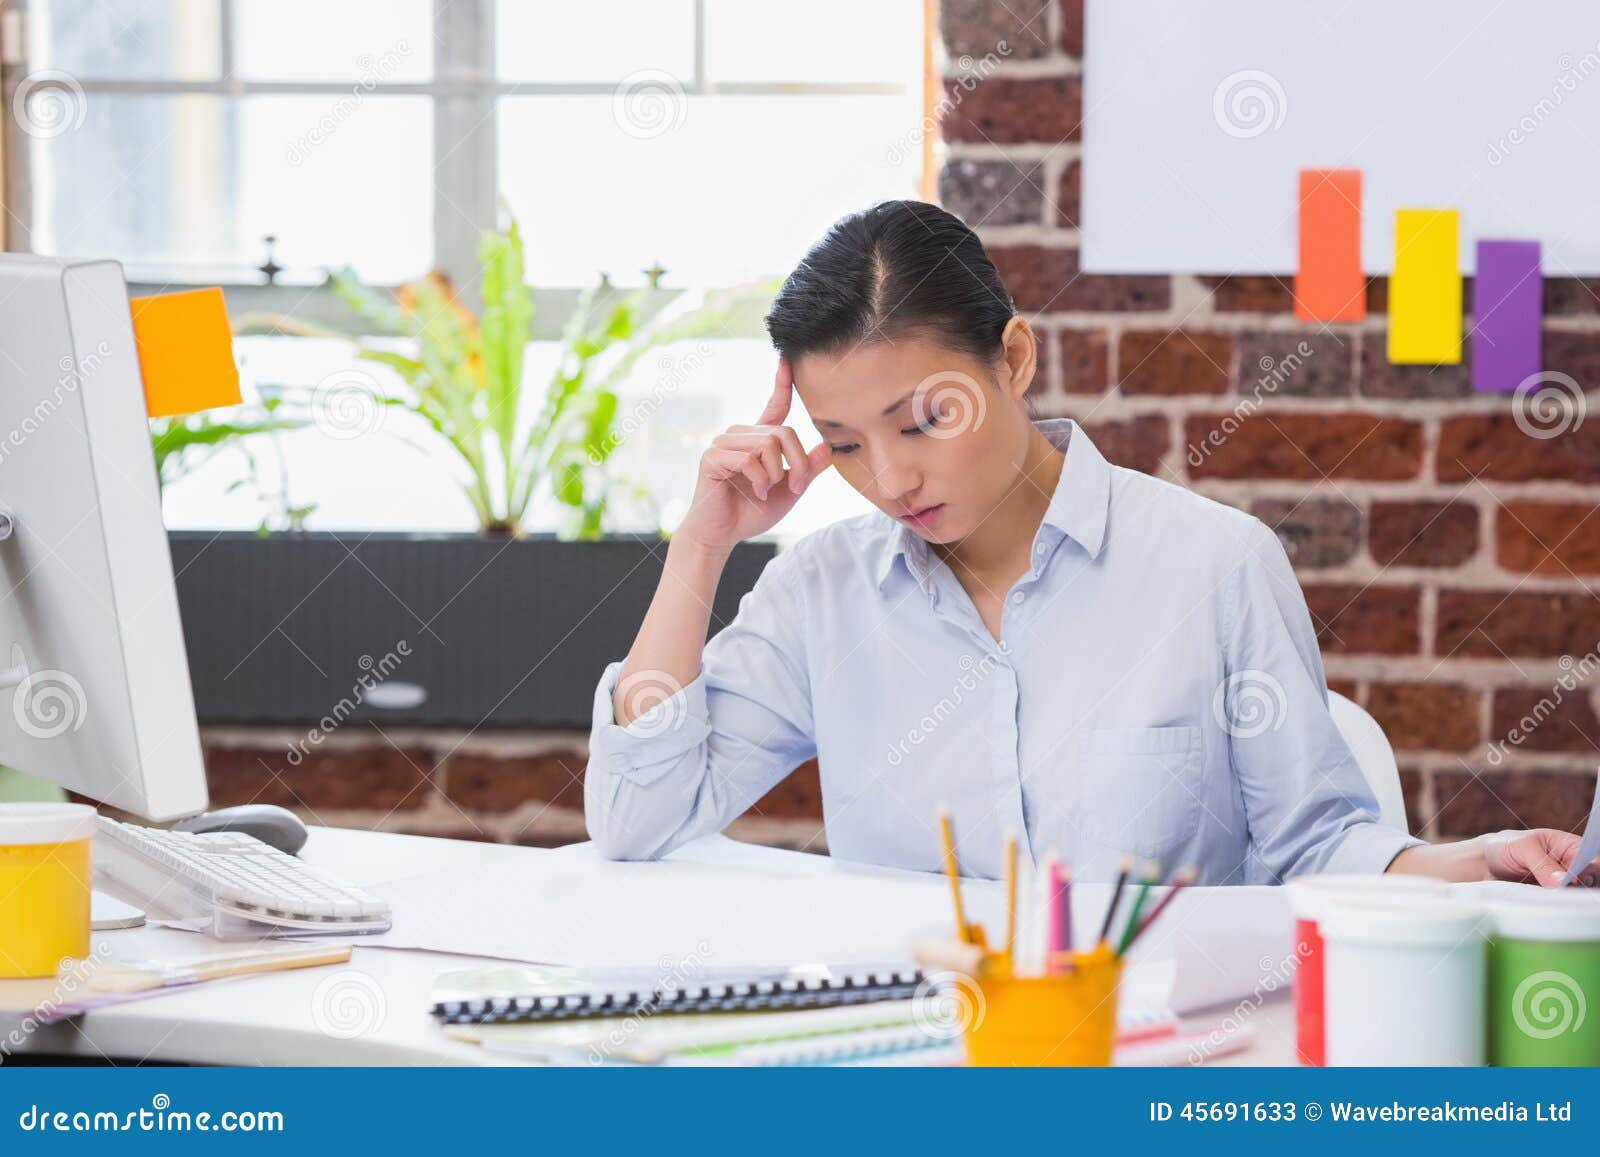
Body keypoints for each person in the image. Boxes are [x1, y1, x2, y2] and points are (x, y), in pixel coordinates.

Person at [584, 199, 1594, 887]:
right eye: (844, 443)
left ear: (1013, 358)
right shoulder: (822, 593)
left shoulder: (1212, 567)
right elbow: (637, 816)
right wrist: (699, 547)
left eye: (922, 420)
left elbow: (1317, 844)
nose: (891, 478)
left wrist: (1463, 861)